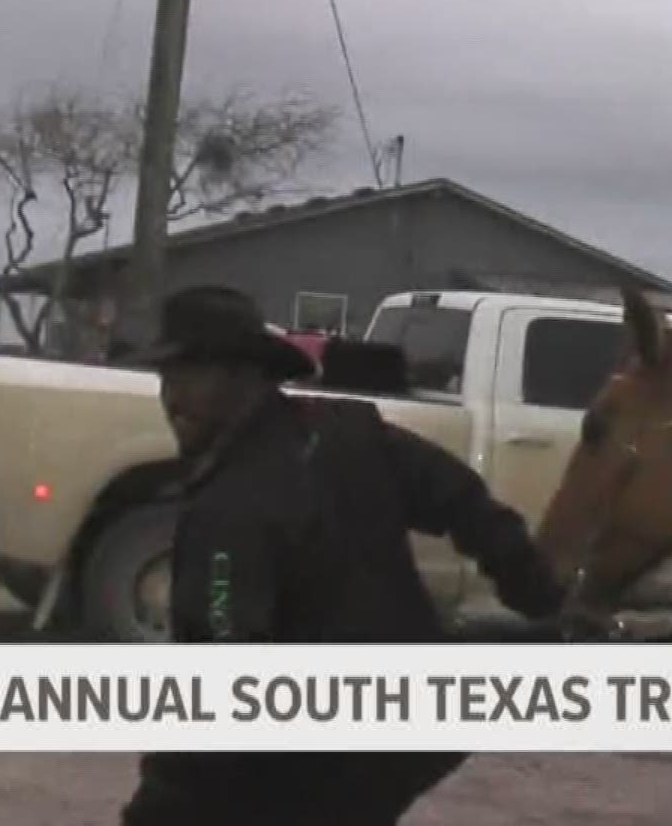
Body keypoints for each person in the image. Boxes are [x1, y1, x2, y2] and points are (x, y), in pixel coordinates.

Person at [117, 285, 568, 826]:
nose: (173, 397)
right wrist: (537, 593)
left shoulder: (230, 511)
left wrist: (161, 806)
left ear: (246, 375)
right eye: (167, 378)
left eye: (191, 376)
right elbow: (467, 504)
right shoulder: (346, 432)